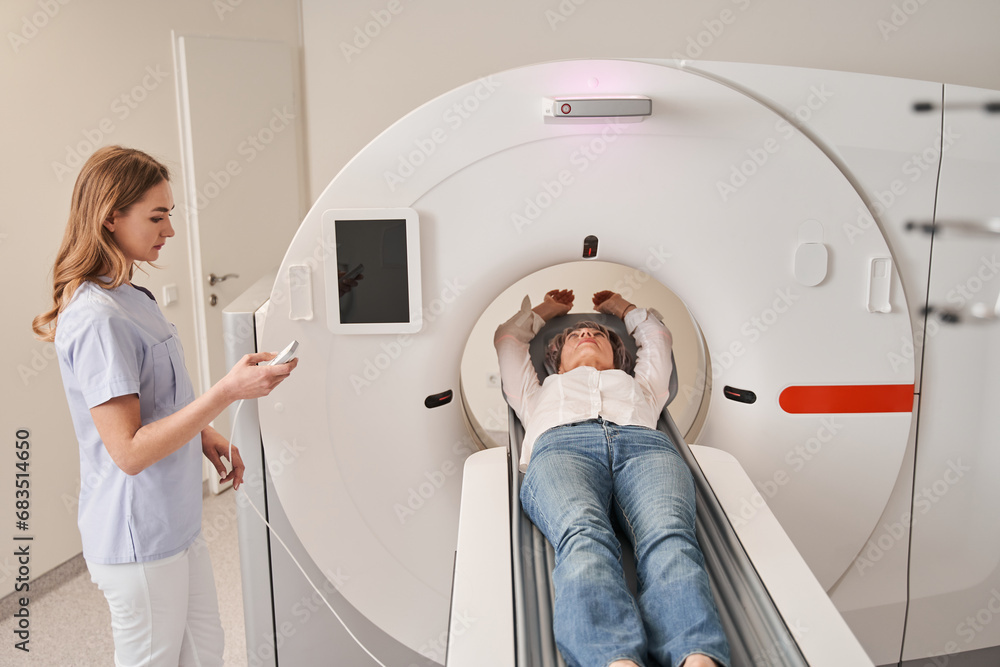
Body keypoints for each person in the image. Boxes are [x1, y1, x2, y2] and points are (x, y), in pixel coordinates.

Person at [32, 146, 297, 666]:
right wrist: (226, 393)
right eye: (157, 217)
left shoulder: (133, 296)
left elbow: (156, 403)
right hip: (138, 538)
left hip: (176, 523)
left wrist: (205, 434)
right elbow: (127, 451)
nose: (169, 231)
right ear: (111, 217)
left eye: (169, 215)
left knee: (205, 654)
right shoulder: (98, 317)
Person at [494, 288, 729, 667]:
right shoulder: (534, 392)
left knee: (668, 534)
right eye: (573, 335)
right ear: (555, 359)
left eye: (599, 334)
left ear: (619, 355)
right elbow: (508, 339)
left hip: (645, 448)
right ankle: (613, 661)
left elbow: (657, 338)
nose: (586, 334)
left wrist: (621, 309)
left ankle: (697, 658)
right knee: (584, 535)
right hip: (562, 449)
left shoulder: (645, 386)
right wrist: (545, 312)